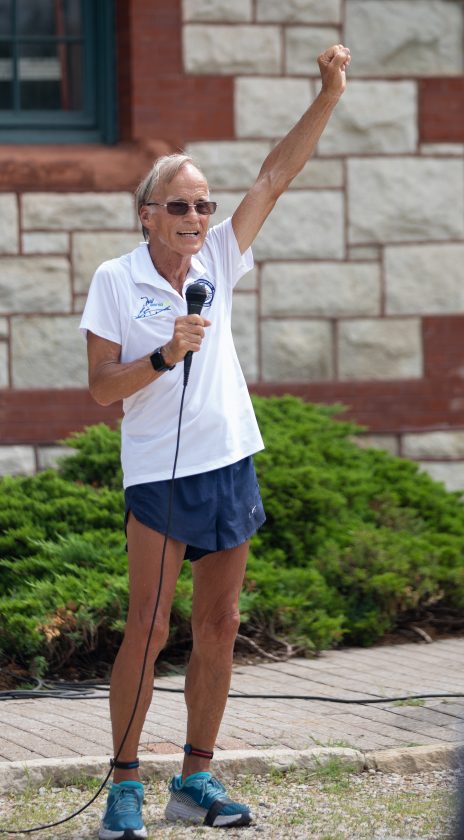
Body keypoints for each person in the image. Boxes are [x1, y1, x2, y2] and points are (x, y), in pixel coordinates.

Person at [80, 43, 350, 840]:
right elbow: (101, 388)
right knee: (150, 628)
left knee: (222, 626)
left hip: (229, 462)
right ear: (147, 216)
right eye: (180, 207)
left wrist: (327, 97)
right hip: (159, 480)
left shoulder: (221, 259)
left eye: (203, 206)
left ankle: (196, 777)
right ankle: (125, 782)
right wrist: (164, 354)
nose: (197, 219)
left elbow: (274, 176)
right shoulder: (115, 280)